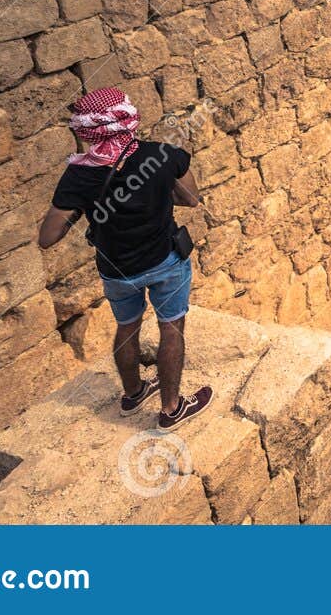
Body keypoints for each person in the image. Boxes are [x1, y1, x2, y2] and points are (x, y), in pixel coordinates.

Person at [37, 88, 213, 430]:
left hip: (116, 270)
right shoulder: (163, 155)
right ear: (129, 119)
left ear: (87, 131)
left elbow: (47, 238)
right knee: (171, 327)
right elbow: (191, 199)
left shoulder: (78, 175)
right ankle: (171, 409)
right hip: (165, 261)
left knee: (127, 327)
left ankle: (133, 394)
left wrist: (84, 207)